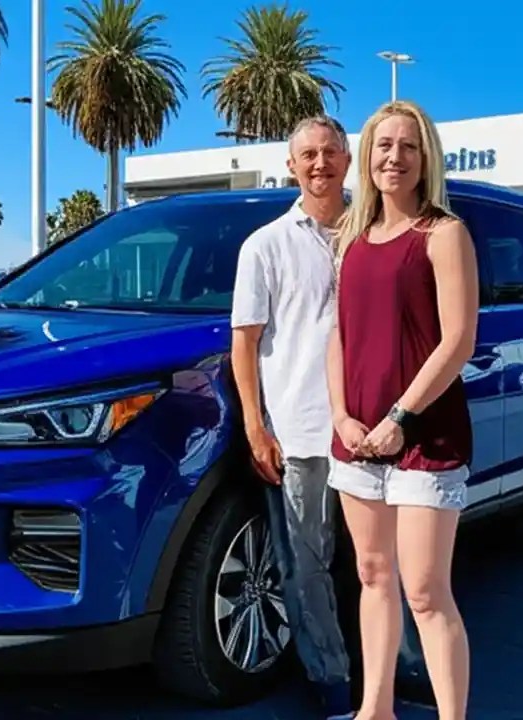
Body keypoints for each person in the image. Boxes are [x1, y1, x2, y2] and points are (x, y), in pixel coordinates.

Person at [325, 100, 480, 720]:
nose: (394, 157)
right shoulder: (351, 240)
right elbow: (337, 334)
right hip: (358, 439)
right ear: (367, 156)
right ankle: (375, 710)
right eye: (383, 144)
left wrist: (400, 419)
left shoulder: (444, 235)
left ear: (425, 158)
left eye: (407, 146)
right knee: (372, 575)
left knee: (424, 590)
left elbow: (458, 341)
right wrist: (341, 417)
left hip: (423, 437)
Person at [230, 114, 354, 716]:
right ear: (291, 165)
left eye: (330, 152)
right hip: (302, 434)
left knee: (388, 566)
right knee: (307, 567)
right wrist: (256, 427)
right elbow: (244, 343)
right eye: (308, 154)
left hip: (377, 431)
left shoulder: (376, 232)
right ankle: (332, 680)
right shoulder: (266, 246)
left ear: (348, 161)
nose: (319, 164)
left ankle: (402, 668)